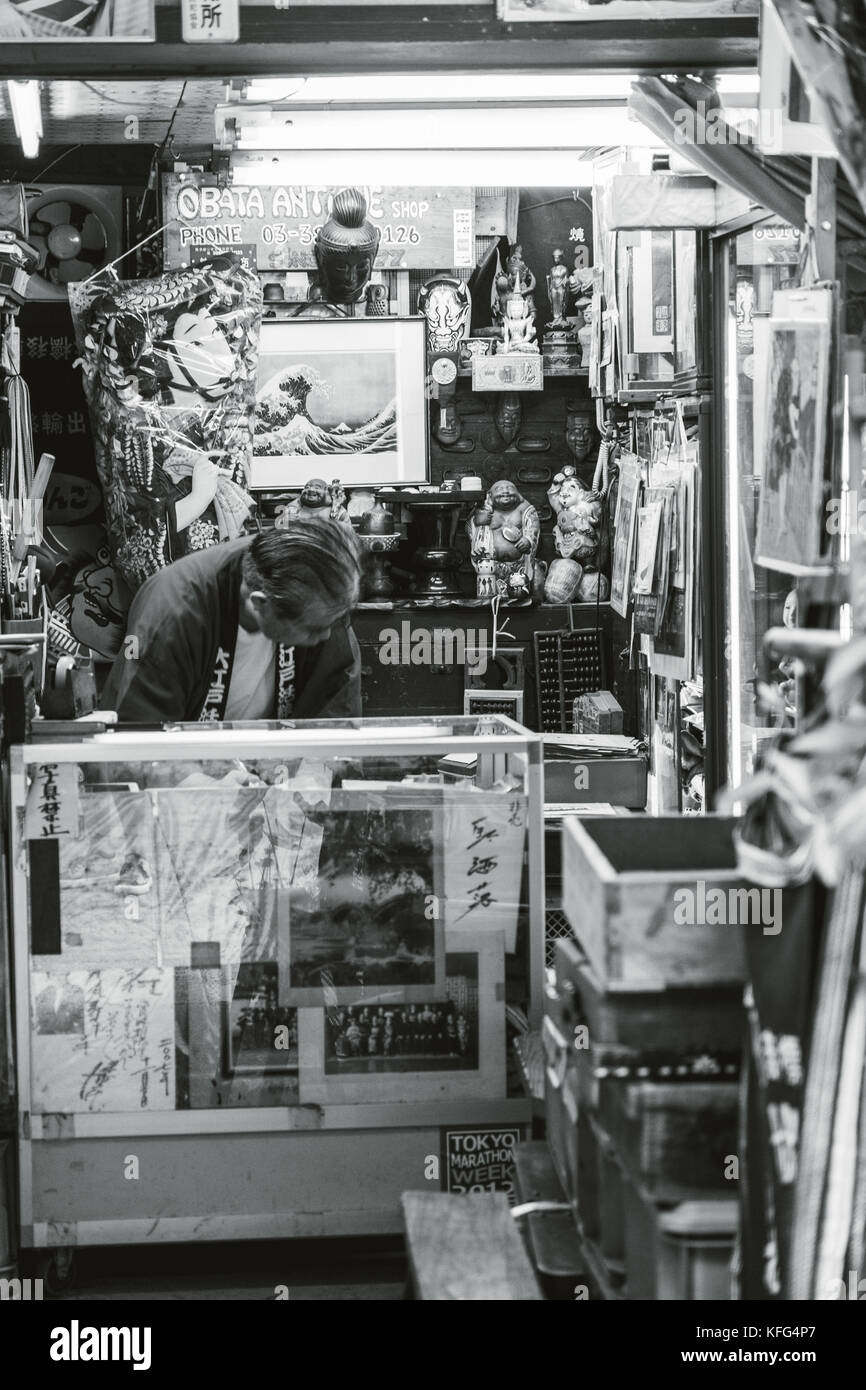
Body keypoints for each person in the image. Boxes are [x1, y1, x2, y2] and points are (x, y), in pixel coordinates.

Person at [101, 516, 363, 723]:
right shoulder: (175, 612)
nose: (327, 636)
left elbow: (337, 706)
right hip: (185, 772)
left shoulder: (323, 596)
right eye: (313, 630)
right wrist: (199, 781)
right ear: (260, 603)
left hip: (271, 770)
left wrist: (312, 774)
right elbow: (141, 735)